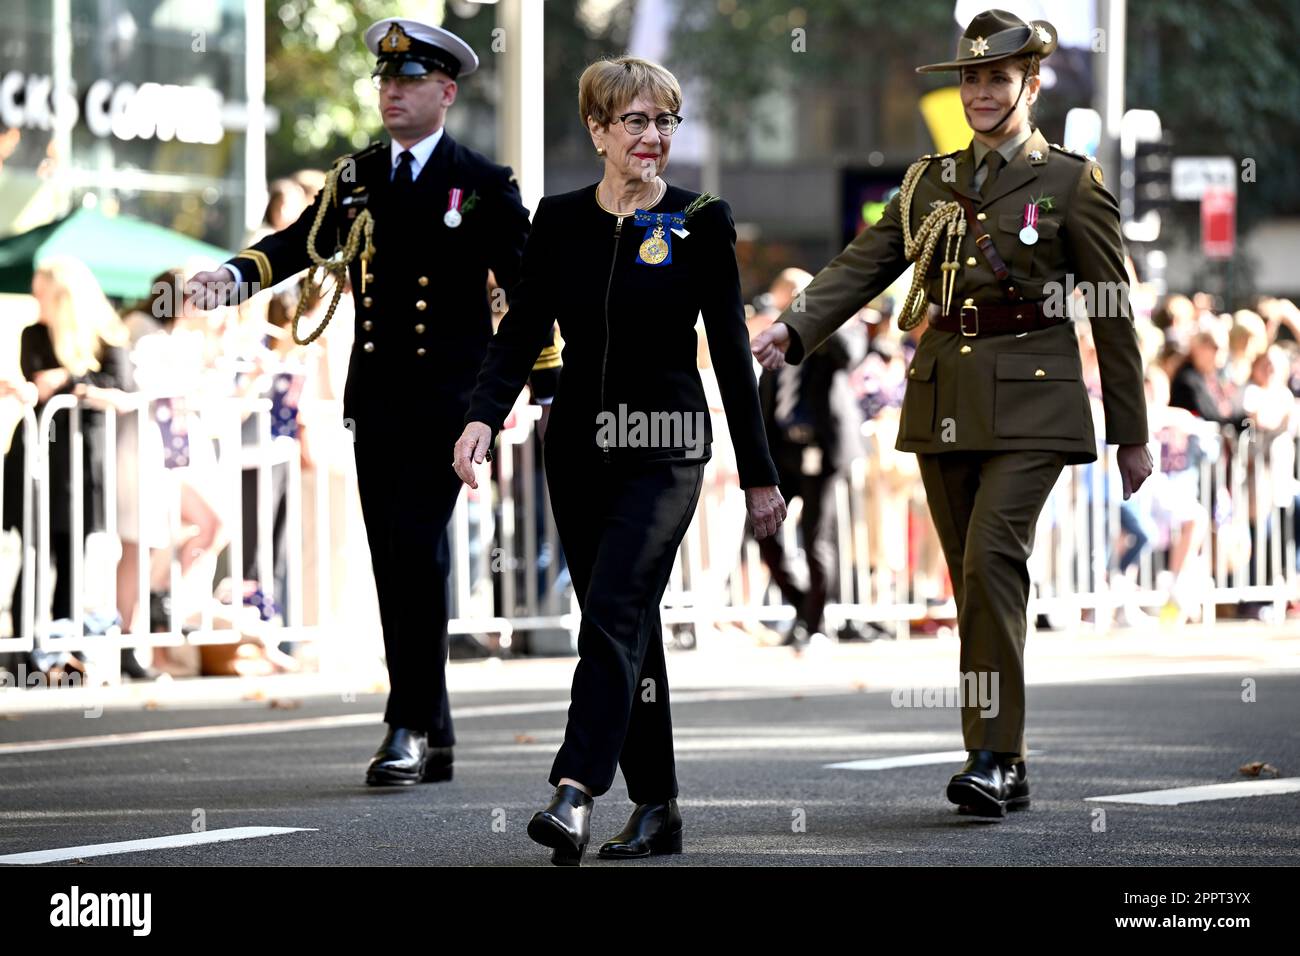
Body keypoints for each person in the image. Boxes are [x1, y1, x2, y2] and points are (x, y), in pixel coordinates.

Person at [751, 9, 1153, 817]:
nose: (980, 91)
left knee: (990, 561)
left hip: (1036, 399)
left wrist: (1132, 431)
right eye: (970, 78)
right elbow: (865, 263)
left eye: (996, 78)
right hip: (944, 398)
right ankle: (1003, 754)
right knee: (971, 582)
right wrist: (794, 327)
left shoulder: (1071, 182)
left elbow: (1112, 309)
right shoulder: (929, 181)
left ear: (1029, 85)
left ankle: (992, 756)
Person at [187, 17, 553, 785]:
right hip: (378, 401)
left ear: (446, 92)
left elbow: (528, 295)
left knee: (417, 548)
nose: (394, 91)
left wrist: (537, 386)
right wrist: (234, 275)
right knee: (397, 560)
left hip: (453, 406)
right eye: (387, 80)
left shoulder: (482, 182)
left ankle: (408, 725)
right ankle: (438, 728)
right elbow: (297, 242)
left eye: (412, 80)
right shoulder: (356, 177)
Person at [455, 55, 785, 864]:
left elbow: (731, 347)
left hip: (667, 445)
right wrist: (481, 419)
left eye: (665, 120)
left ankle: (574, 791)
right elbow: (522, 330)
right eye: (634, 121)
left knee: (609, 612)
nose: (652, 136)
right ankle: (659, 806)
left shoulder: (701, 218)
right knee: (626, 624)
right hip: (578, 449)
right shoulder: (560, 219)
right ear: (598, 130)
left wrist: (758, 474)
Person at [753, 268, 866, 645]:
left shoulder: (837, 328)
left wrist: (813, 316)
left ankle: (815, 624)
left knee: (817, 538)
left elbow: (850, 354)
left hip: (822, 448)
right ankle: (804, 608)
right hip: (782, 450)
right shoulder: (774, 335)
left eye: (794, 295)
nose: (786, 302)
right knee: (763, 532)